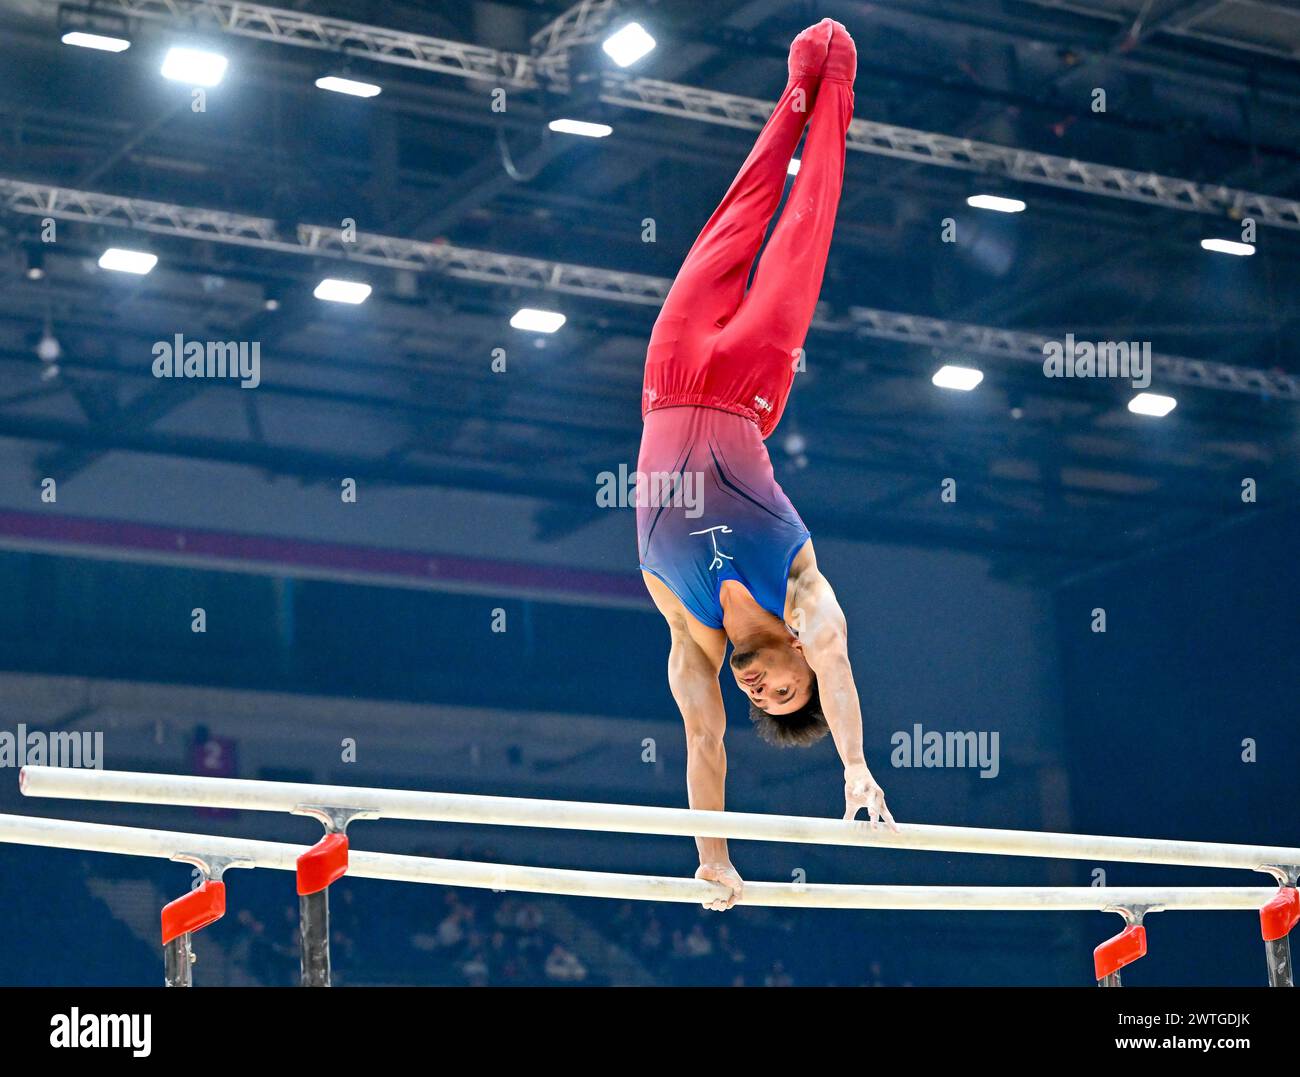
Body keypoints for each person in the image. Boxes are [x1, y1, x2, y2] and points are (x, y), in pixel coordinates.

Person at [636, 19, 896, 912]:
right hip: (749, 382)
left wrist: (713, 857)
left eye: (764, 696)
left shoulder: (691, 632)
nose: (760, 684)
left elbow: (704, 744)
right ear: (802, 662)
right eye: (787, 686)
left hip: (668, 378)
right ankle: (822, 87)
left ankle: (801, 85)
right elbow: (841, 667)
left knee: (734, 214)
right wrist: (856, 770)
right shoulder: (807, 598)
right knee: (797, 224)